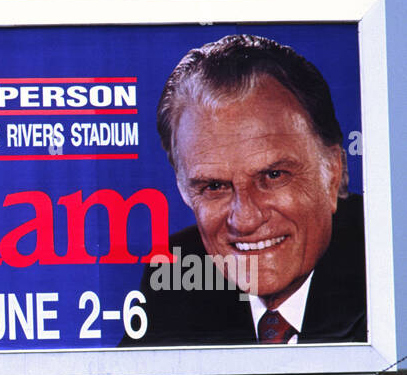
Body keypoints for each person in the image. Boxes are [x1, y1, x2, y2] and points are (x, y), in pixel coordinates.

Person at [123, 34, 365, 347]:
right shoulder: (178, 270)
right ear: (184, 190)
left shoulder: (383, 265)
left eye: (274, 175)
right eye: (214, 186)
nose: (246, 219)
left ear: (333, 172)